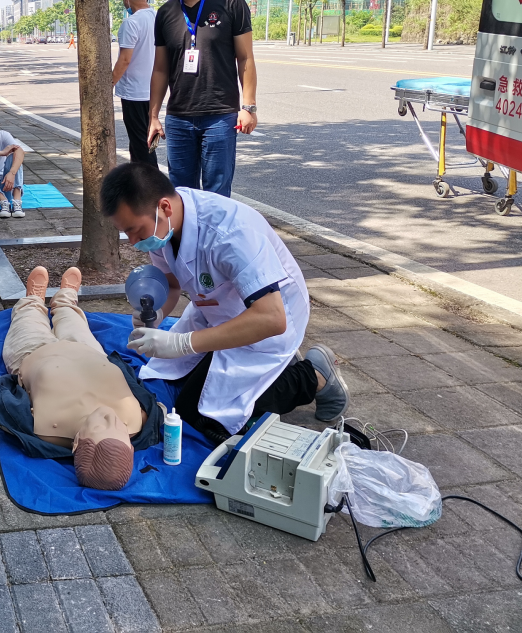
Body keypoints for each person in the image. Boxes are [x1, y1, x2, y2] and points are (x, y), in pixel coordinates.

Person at [100, 163, 349, 445]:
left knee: (207, 417)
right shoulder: (162, 228)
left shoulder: (230, 232)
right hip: (218, 307)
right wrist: (157, 313)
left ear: (165, 208)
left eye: (135, 230)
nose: (133, 242)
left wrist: (185, 344)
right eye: (126, 233)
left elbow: (272, 319)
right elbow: (171, 283)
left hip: (270, 319)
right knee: (166, 381)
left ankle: (313, 374)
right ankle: (274, 370)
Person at [0, 266, 162, 491]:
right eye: (120, 427)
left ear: (77, 442)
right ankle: (66, 298)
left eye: (102, 425)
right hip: (89, 351)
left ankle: (34, 299)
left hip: (32, 354)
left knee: (27, 318)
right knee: (72, 318)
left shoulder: (43, 431)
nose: (111, 417)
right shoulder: (141, 423)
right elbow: (161, 410)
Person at [148, 0, 258, 197]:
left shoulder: (230, 2)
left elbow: (246, 58)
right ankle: (187, 240)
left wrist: (249, 107)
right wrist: (153, 116)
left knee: (216, 194)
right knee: (181, 195)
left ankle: (214, 239)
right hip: (178, 119)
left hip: (220, 116)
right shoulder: (165, 13)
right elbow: (160, 69)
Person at [111, 0, 159, 169]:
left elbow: (124, 60)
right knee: (145, 141)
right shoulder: (158, 18)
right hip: (154, 90)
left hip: (134, 93)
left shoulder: (131, 23)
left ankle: (151, 187)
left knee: (141, 144)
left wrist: (110, 84)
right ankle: (139, 182)